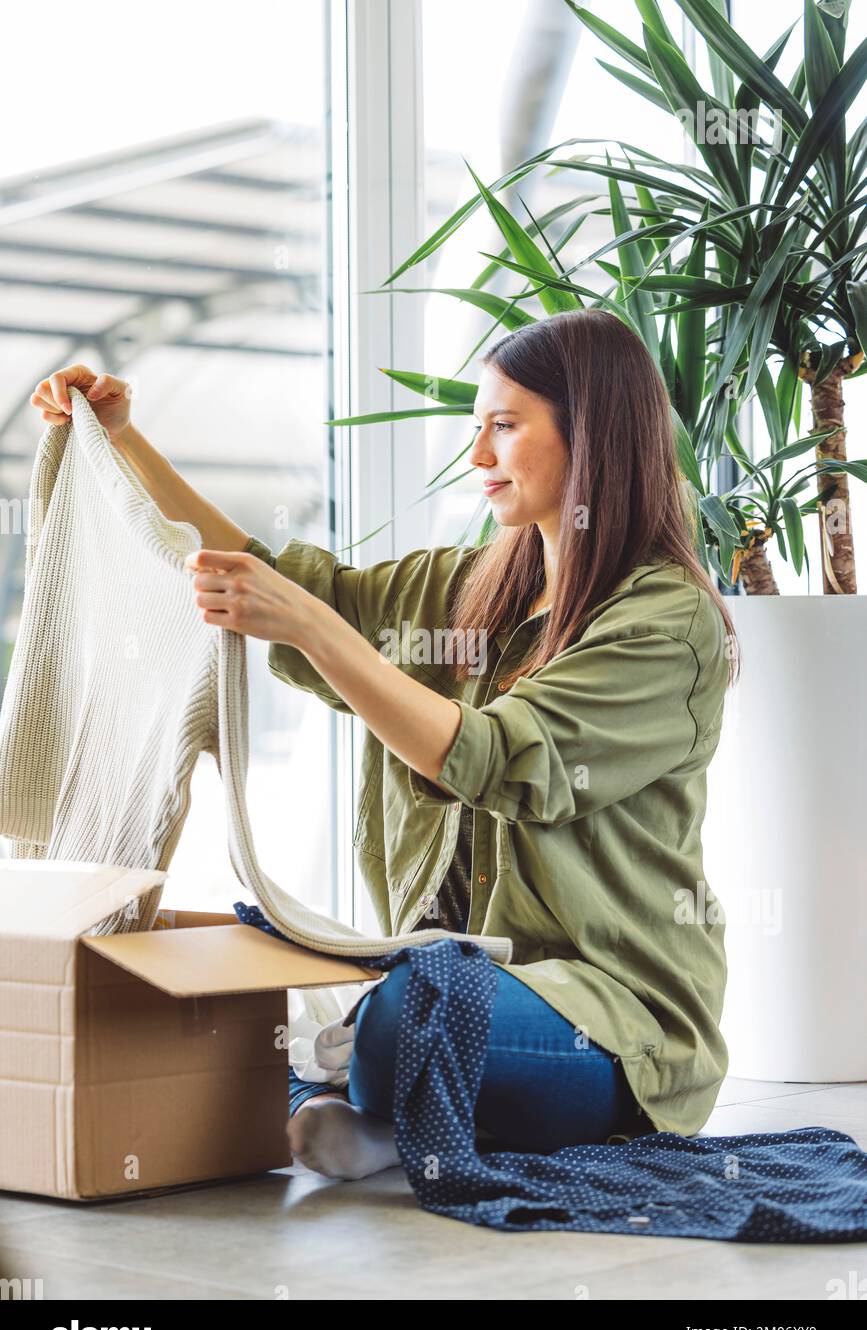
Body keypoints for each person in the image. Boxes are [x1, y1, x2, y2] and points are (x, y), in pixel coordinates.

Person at [30, 309, 739, 1181]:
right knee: (288, 987)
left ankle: (379, 1103)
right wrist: (127, 444)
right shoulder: (464, 588)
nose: (477, 455)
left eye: (504, 427)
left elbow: (498, 758)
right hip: (447, 973)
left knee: (413, 1010)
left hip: (617, 1029)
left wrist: (323, 633)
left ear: (592, 436)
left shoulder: (664, 626)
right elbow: (282, 585)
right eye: (475, 427)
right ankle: (385, 1107)